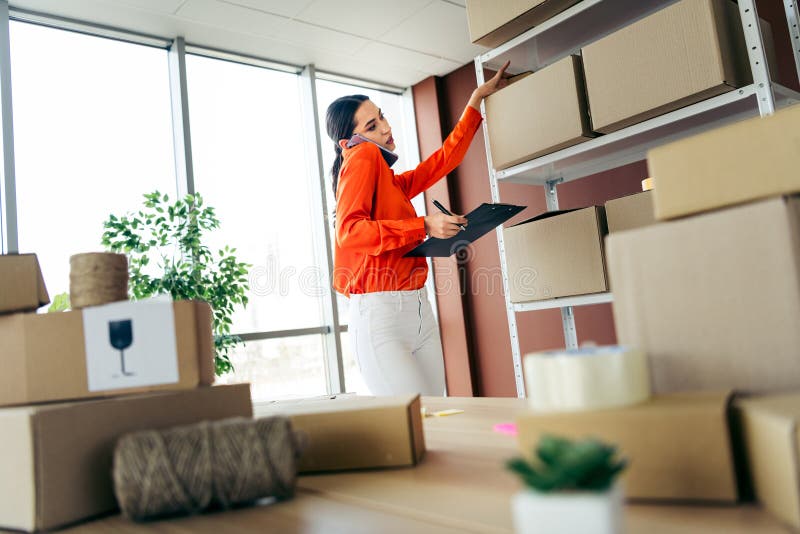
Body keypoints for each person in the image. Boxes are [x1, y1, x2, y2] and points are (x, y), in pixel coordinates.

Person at [326, 61, 510, 396]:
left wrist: (476, 99)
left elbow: (441, 163)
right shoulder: (362, 156)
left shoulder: (388, 181)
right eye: (372, 125)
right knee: (421, 421)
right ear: (348, 142)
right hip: (382, 315)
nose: (385, 127)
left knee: (438, 415)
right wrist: (424, 224)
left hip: (419, 309)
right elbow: (350, 232)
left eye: (381, 116)